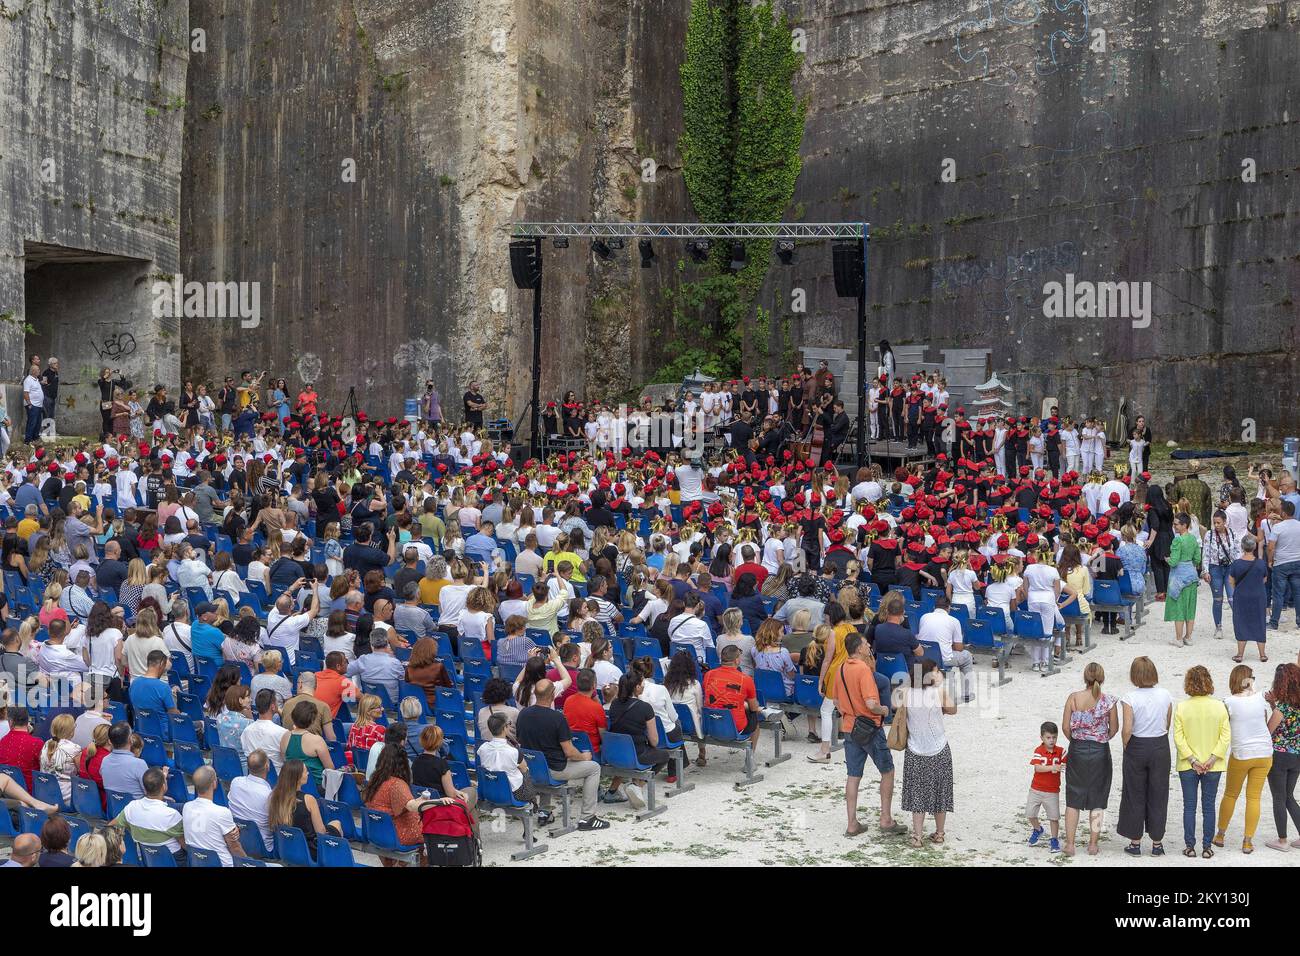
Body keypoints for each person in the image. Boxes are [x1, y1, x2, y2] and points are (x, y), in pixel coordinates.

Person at [515, 678, 609, 831]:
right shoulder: (557, 718)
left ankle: (545, 812)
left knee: (543, 757)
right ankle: (588, 817)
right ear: (553, 694)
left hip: (533, 768)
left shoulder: (523, 714)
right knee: (594, 768)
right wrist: (584, 757)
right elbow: (569, 752)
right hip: (555, 770)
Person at [834, 633, 902, 837]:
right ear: (859, 648)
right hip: (870, 727)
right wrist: (885, 710)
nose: (868, 646)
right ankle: (886, 819)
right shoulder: (863, 669)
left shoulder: (841, 669)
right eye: (865, 643)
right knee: (887, 771)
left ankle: (852, 823)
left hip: (849, 727)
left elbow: (836, 701)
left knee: (853, 776)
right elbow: (872, 704)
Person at [1214, 664, 1274, 854]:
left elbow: (1223, 728)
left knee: (1231, 794)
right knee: (1254, 797)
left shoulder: (1228, 702)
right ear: (1250, 680)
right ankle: (1247, 841)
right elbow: (1263, 722)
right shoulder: (1260, 698)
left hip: (1242, 753)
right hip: (1264, 752)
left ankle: (1220, 834)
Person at [1116, 656, 1173, 856]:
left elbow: (1127, 728)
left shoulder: (1130, 697)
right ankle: (1157, 842)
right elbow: (1167, 723)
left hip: (1137, 745)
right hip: (1159, 745)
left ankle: (1135, 841)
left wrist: (1126, 744)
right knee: (1159, 792)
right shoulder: (1166, 694)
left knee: (1134, 792)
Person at [1060, 662, 1118, 857]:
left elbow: (1066, 727)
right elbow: (1114, 729)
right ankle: (1093, 844)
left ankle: (1070, 844)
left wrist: (1077, 741)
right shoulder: (1108, 701)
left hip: (1078, 748)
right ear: (1102, 677)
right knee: (1098, 798)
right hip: (1100, 750)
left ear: (1085, 677)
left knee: (1073, 797)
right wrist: (1100, 739)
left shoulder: (1073, 698)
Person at [1173, 664, 1230, 857]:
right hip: (1213, 764)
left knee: (1189, 805)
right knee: (1208, 806)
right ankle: (1207, 846)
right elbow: (1225, 736)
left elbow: (1178, 738)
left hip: (1188, 764)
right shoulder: (1220, 706)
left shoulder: (1182, 707)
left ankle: (1190, 846)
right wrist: (1213, 758)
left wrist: (1192, 759)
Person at [900, 658, 957, 847]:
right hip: (939, 747)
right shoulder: (939, 692)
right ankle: (940, 833)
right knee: (941, 791)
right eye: (936, 670)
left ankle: (917, 836)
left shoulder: (906, 693)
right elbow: (953, 709)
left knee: (918, 793)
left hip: (915, 748)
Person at [363, 724, 427, 867]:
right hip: (397, 832)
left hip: (377, 831)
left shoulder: (375, 779)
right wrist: (432, 802)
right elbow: (411, 806)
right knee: (431, 831)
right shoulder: (396, 784)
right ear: (402, 762)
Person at [267, 759, 341, 863]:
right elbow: (321, 832)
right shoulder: (309, 799)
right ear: (298, 778)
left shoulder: (274, 797)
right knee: (336, 824)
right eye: (305, 771)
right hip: (310, 850)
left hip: (286, 847)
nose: (308, 773)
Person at [1262, 663, 1300, 852]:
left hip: (1279, 756)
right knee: (1289, 796)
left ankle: (1282, 840)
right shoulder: (1295, 706)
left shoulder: (1281, 709)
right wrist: (1273, 704)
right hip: (1296, 755)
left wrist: (1268, 710)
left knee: (1278, 797)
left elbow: (1268, 731)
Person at [113, 767, 186, 864]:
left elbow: (112, 825)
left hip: (148, 859)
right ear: (164, 787)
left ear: (145, 787)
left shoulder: (131, 807)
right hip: (173, 860)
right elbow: (185, 844)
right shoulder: (171, 815)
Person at [916, 595, 974, 703]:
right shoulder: (954, 621)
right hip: (943, 660)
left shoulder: (924, 617)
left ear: (934, 607)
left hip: (924, 657)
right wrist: (950, 644)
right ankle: (967, 694)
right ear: (948, 607)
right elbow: (959, 648)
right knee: (967, 656)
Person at [182, 765, 241, 866]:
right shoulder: (222, 812)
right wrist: (247, 861)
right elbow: (234, 847)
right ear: (214, 783)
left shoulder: (186, 807)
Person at [1026, 721, 1066, 853]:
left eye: (1054, 737)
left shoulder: (1061, 751)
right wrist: (1052, 767)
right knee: (1030, 813)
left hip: (1052, 791)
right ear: (1042, 737)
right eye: (1048, 737)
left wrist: (1064, 767)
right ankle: (1038, 829)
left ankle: (1054, 839)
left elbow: (1067, 765)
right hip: (1036, 789)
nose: (1051, 740)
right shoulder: (1039, 750)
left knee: (1054, 817)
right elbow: (1037, 767)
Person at [1228, 534, 1268, 662]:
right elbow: (1264, 579)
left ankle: (1240, 654)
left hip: (1241, 597)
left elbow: (1231, 581)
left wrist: (1239, 590)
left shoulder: (1236, 564)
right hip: (1258, 597)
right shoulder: (1261, 564)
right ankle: (1262, 654)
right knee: (1260, 622)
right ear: (1255, 546)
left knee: (1241, 622)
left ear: (1242, 547)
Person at [227, 748, 274, 854]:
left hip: (239, 839)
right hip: (263, 845)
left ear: (248, 766)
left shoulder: (235, 782)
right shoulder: (268, 795)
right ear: (267, 765)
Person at [280, 700, 334, 791]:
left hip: (292, 785)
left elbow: (284, 760)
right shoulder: (317, 740)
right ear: (312, 721)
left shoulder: (285, 737)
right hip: (316, 787)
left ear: (293, 716)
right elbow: (330, 768)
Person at [1164, 513, 1201, 647]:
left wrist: (1167, 559)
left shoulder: (1177, 540)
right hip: (1191, 575)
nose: (1174, 526)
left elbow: (1174, 562)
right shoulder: (1193, 539)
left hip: (1179, 575)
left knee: (1179, 606)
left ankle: (1179, 638)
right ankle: (1188, 637)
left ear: (1184, 525)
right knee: (1190, 607)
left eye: (1176, 524)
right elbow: (1197, 559)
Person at [1266, 500, 1300, 632]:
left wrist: (1270, 560)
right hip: (1297, 561)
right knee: (1297, 593)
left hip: (1281, 563)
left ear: (1284, 513)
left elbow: (1271, 547)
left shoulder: (1277, 528)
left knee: (1278, 594)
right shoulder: (1298, 525)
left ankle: (1274, 622)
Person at [99, 721, 148, 799]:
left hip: (114, 810)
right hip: (135, 810)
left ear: (110, 742)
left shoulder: (105, 760)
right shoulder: (139, 764)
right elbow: (150, 793)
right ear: (130, 740)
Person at [0, 706, 43, 788]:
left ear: (10, 722)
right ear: (27, 722)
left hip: (6, 792)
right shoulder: (37, 743)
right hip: (29, 793)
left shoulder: (2, 741)